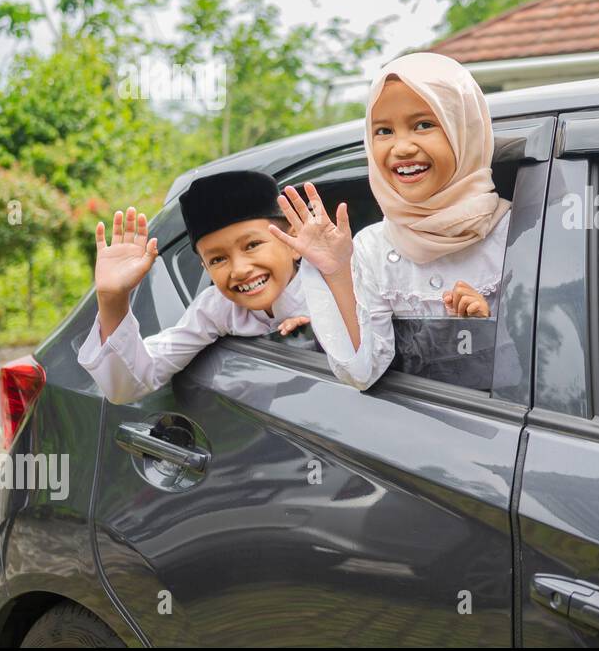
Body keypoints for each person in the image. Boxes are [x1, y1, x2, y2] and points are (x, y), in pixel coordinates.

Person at [280, 52, 512, 391]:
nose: (401, 147)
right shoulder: (370, 248)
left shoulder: (518, 230)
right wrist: (337, 271)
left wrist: (488, 327)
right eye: (384, 130)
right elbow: (363, 372)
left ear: (464, 130)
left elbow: (556, 363)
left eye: (423, 124)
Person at [78, 170, 311, 405]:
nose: (239, 270)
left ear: (293, 242)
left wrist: (321, 326)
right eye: (218, 259)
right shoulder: (218, 307)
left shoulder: (331, 287)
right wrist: (112, 298)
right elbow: (130, 385)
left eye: (252, 245)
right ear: (205, 268)